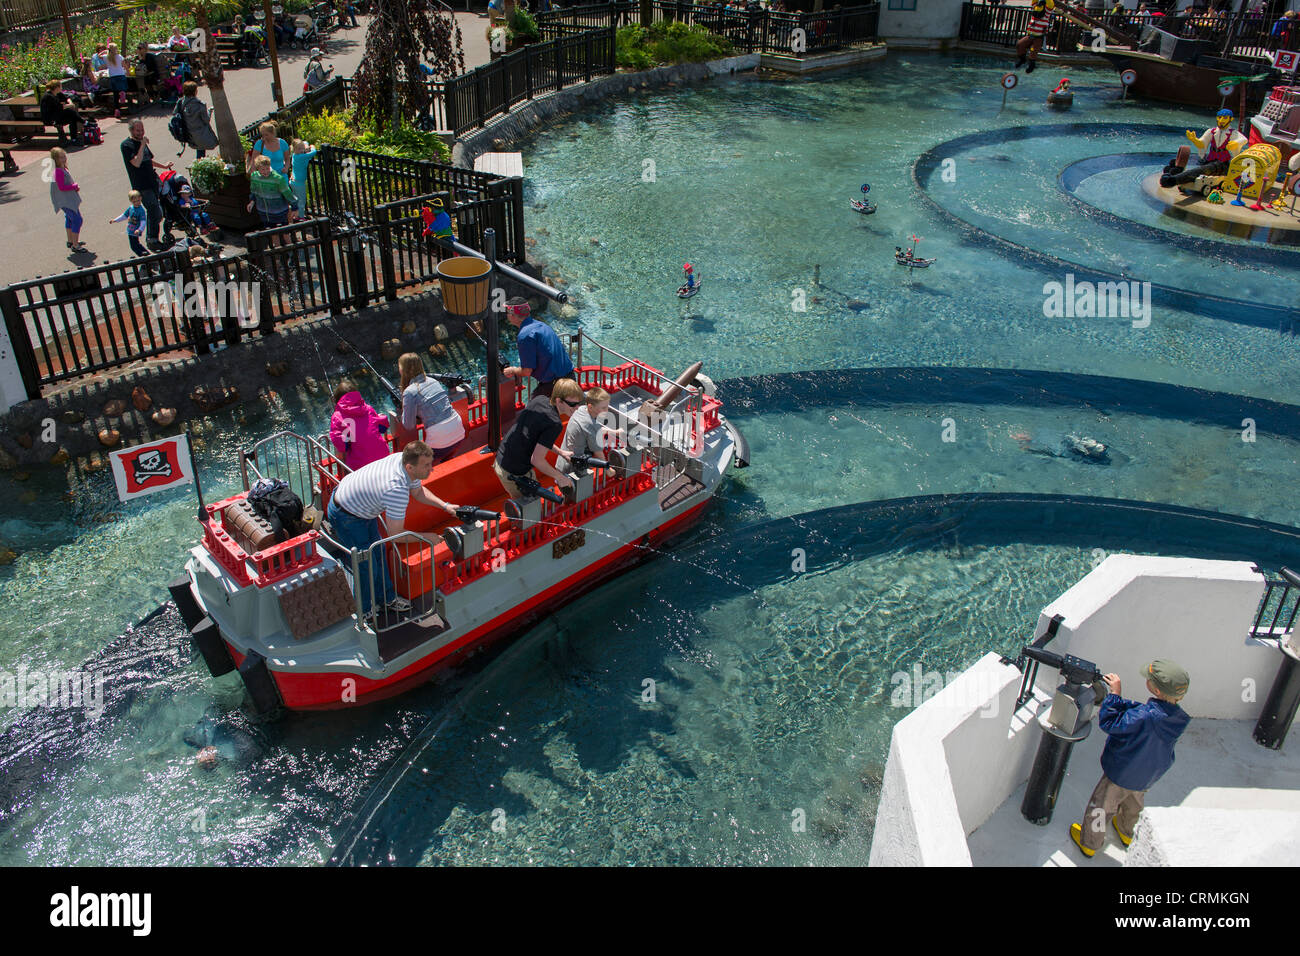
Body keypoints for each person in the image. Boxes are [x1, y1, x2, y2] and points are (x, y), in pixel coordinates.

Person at [1069, 660, 1190, 857]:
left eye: (1149, 679)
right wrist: (1123, 704)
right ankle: (1126, 832)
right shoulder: (1178, 719)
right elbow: (1143, 714)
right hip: (1147, 775)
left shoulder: (1145, 717)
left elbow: (1110, 723)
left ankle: (1090, 843)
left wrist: (1115, 695)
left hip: (1121, 774)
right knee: (1134, 804)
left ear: (1156, 690)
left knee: (1101, 808)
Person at [327, 441, 462, 614]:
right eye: (426, 465)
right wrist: (428, 538)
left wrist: (445, 505)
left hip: (361, 509)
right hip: (347, 516)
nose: (431, 469)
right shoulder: (396, 490)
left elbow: (418, 492)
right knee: (365, 567)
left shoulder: (403, 461)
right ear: (410, 467)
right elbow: (396, 535)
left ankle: (387, 598)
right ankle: (365, 612)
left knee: (378, 553)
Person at [494, 378, 585, 501]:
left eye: (579, 403)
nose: (577, 408)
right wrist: (561, 478)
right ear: (559, 401)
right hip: (514, 471)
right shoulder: (555, 424)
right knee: (531, 507)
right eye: (573, 404)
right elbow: (537, 460)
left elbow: (536, 437)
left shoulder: (539, 400)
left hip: (502, 458)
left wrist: (561, 452)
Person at [395, 352, 466, 462]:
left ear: (403, 370)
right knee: (447, 458)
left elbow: (408, 425)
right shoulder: (433, 381)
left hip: (439, 443)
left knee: (418, 464)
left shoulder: (409, 391)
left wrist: (401, 412)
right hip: (459, 433)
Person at [502, 297, 575, 398]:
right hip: (570, 378)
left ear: (513, 315)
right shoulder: (542, 325)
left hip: (555, 384)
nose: (506, 315)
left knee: (534, 410)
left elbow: (527, 371)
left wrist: (512, 370)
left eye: (507, 312)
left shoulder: (525, 336)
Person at [1159, 108, 1246, 188]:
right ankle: (1177, 170)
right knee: (1195, 163)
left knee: (1202, 170)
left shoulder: (1233, 133)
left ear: (1231, 119)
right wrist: (1195, 140)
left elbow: (1243, 139)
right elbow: (1202, 143)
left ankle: (1174, 180)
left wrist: (1236, 143)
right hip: (1210, 159)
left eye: (1225, 118)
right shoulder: (1211, 131)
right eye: (1219, 117)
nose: (1221, 121)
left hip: (1222, 163)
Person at [120, 118, 171, 249]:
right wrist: (142, 145)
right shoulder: (127, 145)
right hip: (142, 185)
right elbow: (136, 162)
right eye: (138, 130)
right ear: (131, 131)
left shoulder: (142, 143)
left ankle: (152, 238)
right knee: (155, 212)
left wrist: (164, 167)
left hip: (152, 182)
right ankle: (152, 240)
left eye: (142, 129)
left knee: (155, 211)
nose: (141, 132)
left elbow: (148, 160)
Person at [559, 387, 624, 474]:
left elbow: (593, 430)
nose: (607, 411)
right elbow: (598, 452)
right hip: (573, 469)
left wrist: (615, 432)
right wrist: (609, 470)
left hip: (561, 462)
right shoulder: (590, 425)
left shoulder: (581, 409)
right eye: (603, 408)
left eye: (607, 407)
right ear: (590, 407)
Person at [330, 380, 391, 471]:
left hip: (360, 466)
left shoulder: (338, 416)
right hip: (383, 458)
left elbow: (342, 446)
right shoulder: (368, 408)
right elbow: (383, 427)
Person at [48, 147, 86, 253]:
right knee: (77, 220)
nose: (64, 159)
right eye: (61, 157)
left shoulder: (63, 169)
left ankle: (71, 240)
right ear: (55, 159)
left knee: (69, 219)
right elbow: (62, 187)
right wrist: (74, 186)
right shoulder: (59, 172)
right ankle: (75, 245)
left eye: (64, 156)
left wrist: (73, 187)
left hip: (67, 200)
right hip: (66, 201)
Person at [246, 153, 297, 227]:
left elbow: (287, 193)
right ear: (258, 169)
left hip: (280, 210)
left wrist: (294, 206)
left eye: (267, 168)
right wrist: (252, 202)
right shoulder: (254, 177)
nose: (266, 171)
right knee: (272, 233)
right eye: (263, 169)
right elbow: (254, 191)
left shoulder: (277, 178)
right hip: (264, 211)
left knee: (285, 231)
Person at [180, 81, 218, 159]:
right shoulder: (199, 105)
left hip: (190, 133)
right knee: (201, 153)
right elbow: (206, 120)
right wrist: (209, 111)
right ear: (195, 91)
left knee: (200, 151)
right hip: (201, 132)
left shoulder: (181, 103)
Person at [1015, 0, 1054, 74]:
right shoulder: (1035, 6)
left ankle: (1031, 65)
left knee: (1033, 51)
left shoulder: (1047, 11)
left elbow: (1050, 3)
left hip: (1038, 37)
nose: (1037, 13)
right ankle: (1022, 59)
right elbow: (1034, 2)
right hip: (1030, 35)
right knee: (1019, 45)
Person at [39, 80, 82, 145]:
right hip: (50, 119)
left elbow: (66, 98)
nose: (61, 88)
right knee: (71, 113)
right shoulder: (48, 96)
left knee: (72, 117)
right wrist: (70, 105)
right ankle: (83, 122)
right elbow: (59, 107)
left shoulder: (57, 94)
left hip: (57, 115)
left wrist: (70, 103)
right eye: (60, 87)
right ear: (56, 88)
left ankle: (74, 138)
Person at [109, 190, 149, 257]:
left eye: (138, 201)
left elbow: (143, 221)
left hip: (135, 231)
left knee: (135, 246)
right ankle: (146, 256)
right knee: (135, 245)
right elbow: (124, 216)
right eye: (134, 202)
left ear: (141, 198)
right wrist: (115, 220)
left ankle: (144, 257)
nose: (137, 203)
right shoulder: (131, 208)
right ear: (131, 201)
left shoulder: (141, 210)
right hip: (130, 230)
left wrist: (140, 229)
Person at [290, 138, 317, 215]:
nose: (301, 150)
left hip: (293, 181)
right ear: (294, 149)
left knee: (295, 200)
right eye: (299, 149)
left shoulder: (294, 155)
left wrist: (305, 147)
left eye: (302, 148)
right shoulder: (301, 157)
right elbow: (313, 153)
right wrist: (312, 146)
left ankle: (295, 215)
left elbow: (305, 141)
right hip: (299, 183)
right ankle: (301, 217)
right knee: (301, 201)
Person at [105, 42, 128, 114]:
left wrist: (106, 50)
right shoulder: (119, 56)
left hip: (112, 76)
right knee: (123, 87)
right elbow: (124, 65)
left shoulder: (106, 57)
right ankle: (122, 92)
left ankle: (117, 109)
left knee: (115, 94)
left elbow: (99, 55)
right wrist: (128, 71)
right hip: (121, 75)